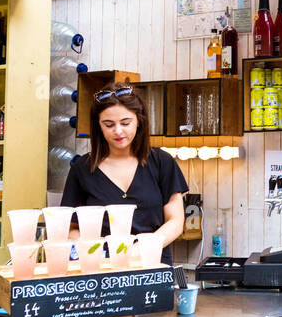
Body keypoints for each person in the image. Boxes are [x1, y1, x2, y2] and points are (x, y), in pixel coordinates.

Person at [61, 84, 187, 265]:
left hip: (153, 265)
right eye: (109, 125)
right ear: (99, 127)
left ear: (139, 120)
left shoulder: (162, 162)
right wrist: (95, 250)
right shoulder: (82, 169)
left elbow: (175, 221)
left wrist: (144, 247)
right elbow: (71, 228)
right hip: (102, 269)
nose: (118, 131)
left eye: (126, 123)